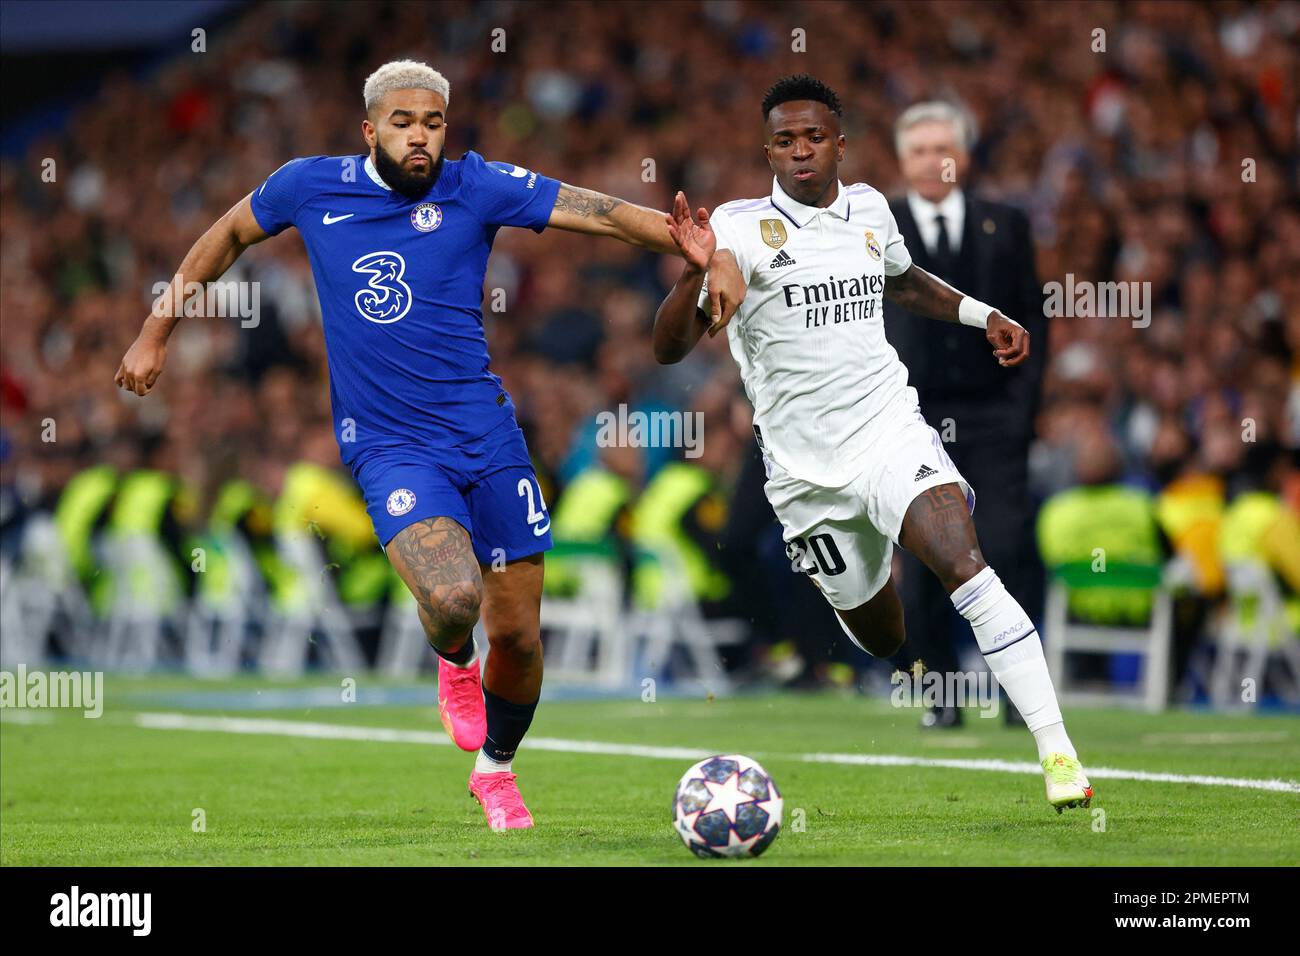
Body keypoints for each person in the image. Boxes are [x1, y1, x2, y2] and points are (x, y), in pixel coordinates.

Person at [114, 59, 739, 830]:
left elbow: (601, 212)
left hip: (487, 434)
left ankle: (497, 772)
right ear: (370, 130)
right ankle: (452, 662)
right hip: (391, 446)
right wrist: (155, 331)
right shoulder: (309, 186)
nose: (421, 137)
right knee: (451, 598)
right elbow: (229, 233)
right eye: (404, 123)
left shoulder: (475, 185)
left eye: (434, 123)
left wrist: (683, 242)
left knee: (517, 633)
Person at [653, 74, 1092, 812]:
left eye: (813, 137)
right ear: (768, 150)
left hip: (888, 427)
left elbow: (902, 280)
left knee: (964, 560)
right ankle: (876, 602)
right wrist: (689, 279)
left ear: (840, 144)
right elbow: (669, 348)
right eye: (785, 140)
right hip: (803, 474)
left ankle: (1058, 754)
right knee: (880, 634)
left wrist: (982, 314)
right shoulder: (733, 226)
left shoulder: (870, 208)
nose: (800, 151)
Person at [882, 101, 1047, 728]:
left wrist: (1023, 410)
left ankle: (1017, 692)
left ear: (965, 156)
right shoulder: (879, 224)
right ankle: (940, 697)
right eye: (919, 149)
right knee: (926, 561)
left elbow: (1034, 318)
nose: (931, 160)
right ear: (902, 160)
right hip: (909, 418)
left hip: (993, 417)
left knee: (1007, 544)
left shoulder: (1006, 225)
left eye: (941, 148)